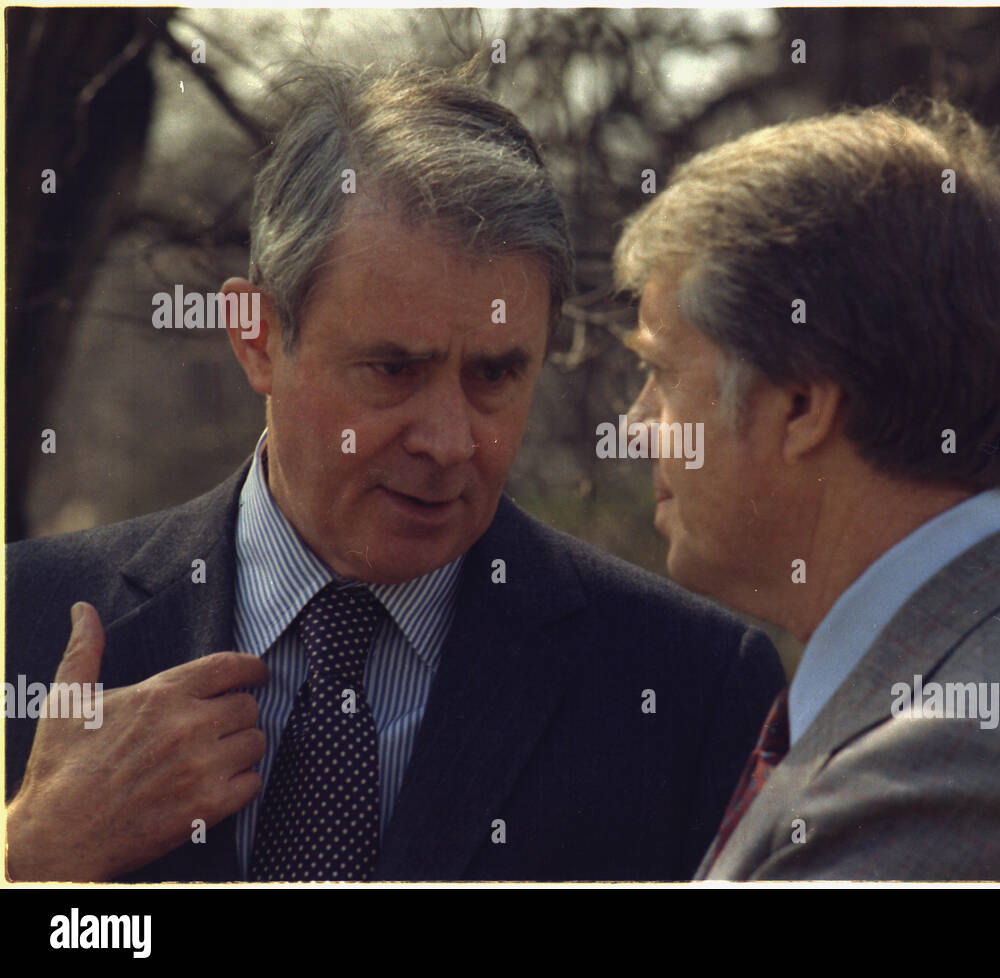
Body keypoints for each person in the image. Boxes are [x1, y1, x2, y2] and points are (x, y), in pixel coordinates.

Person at [4, 63, 784, 883]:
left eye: (493, 376)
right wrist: (33, 852)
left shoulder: (691, 690)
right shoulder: (18, 621)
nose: (449, 441)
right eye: (392, 369)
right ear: (257, 338)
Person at [612, 102, 1000, 881]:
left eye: (662, 372)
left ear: (800, 407)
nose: (637, 424)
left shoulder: (945, 772)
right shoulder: (996, 669)